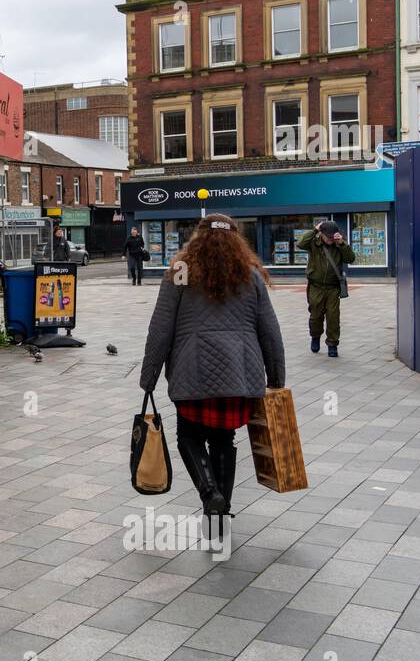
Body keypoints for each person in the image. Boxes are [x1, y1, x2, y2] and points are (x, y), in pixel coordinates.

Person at [140, 213, 286, 529]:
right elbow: (270, 330)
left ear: (197, 238)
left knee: (188, 437)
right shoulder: (250, 274)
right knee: (224, 439)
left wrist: (149, 376)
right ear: (237, 241)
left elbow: (161, 328)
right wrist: (276, 379)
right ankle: (220, 513)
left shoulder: (180, 272)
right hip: (240, 373)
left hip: (191, 371)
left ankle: (209, 493)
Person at [296, 220, 354, 358]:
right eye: (327, 236)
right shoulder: (314, 244)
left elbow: (350, 259)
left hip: (333, 287)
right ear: (321, 234)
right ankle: (315, 337)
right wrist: (314, 230)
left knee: (333, 317)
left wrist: (342, 244)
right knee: (316, 315)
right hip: (315, 286)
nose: (329, 239)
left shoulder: (339, 245)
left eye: (331, 237)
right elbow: (300, 244)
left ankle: (332, 345)